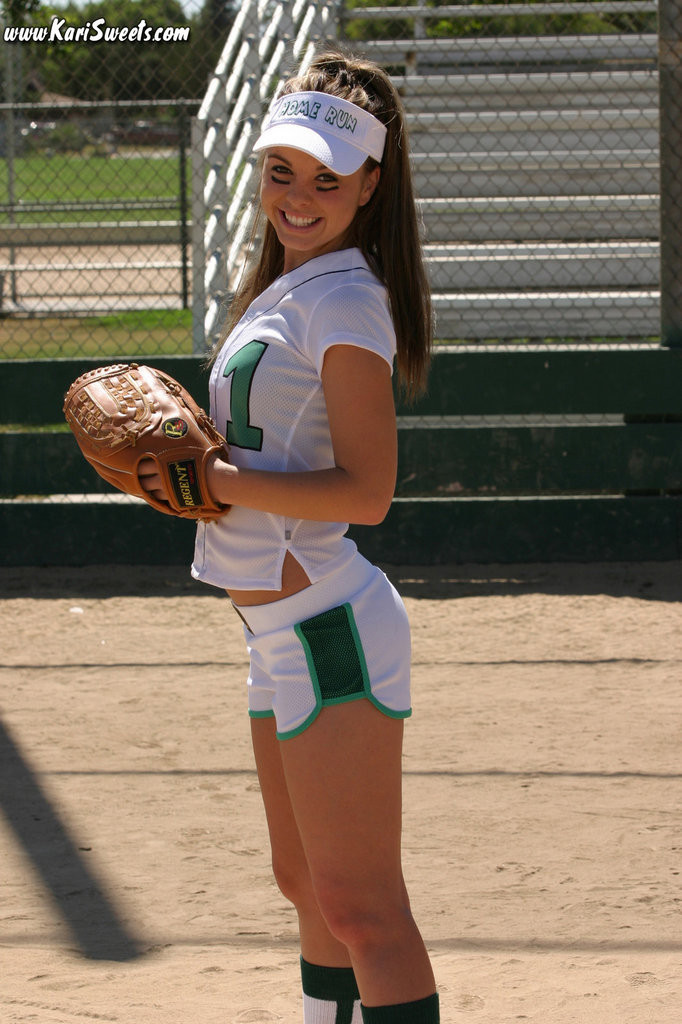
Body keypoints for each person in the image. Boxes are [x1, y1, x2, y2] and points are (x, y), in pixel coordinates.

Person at [140, 50, 439, 1024]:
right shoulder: (287, 290)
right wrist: (198, 477)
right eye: (282, 172)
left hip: (327, 625)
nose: (298, 197)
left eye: (325, 178)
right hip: (279, 634)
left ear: (369, 185)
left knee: (362, 905)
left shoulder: (346, 298)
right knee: (305, 884)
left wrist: (214, 478)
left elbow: (369, 490)